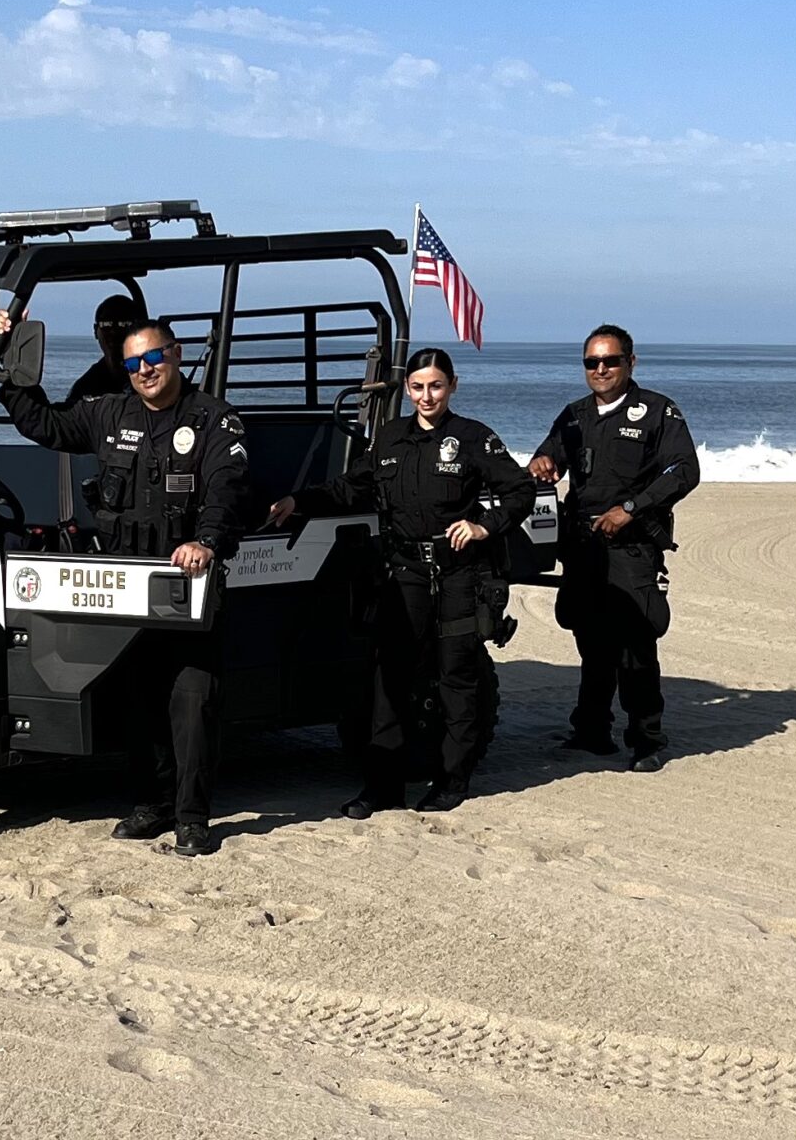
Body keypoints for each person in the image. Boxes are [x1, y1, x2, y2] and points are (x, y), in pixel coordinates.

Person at [0, 308, 249, 856]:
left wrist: (205, 541)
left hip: (184, 588)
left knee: (192, 704)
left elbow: (227, 491)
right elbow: (45, 425)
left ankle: (193, 817)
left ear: (176, 355)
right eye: (134, 362)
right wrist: (2, 359)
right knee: (140, 703)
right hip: (124, 590)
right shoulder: (109, 413)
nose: (145, 369)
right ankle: (152, 805)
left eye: (154, 357)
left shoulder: (214, 420)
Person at [268, 348, 535, 816]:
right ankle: (382, 787)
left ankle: (452, 780)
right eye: (417, 387)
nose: (426, 395)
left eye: (436, 385)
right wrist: (299, 500)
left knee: (455, 676)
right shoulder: (390, 438)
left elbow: (520, 490)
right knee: (390, 677)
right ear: (407, 389)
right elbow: (352, 487)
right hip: (405, 571)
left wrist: (484, 526)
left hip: (457, 572)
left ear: (453, 386)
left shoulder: (473, 438)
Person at [528, 324, 699, 773]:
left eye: (610, 361)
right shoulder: (574, 415)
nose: (600, 369)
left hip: (632, 546)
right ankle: (592, 731)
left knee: (635, 645)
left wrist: (631, 508)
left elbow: (684, 471)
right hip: (584, 547)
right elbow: (547, 462)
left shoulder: (658, 411)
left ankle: (646, 740)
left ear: (630, 362)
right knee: (591, 640)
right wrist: (541, 464)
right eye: (592, 362)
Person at [65, 294, 149, 402]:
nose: (114, 331)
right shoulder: (86, 388)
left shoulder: (153, 375)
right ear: (96, 331)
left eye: (124, 324)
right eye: (106, 324)